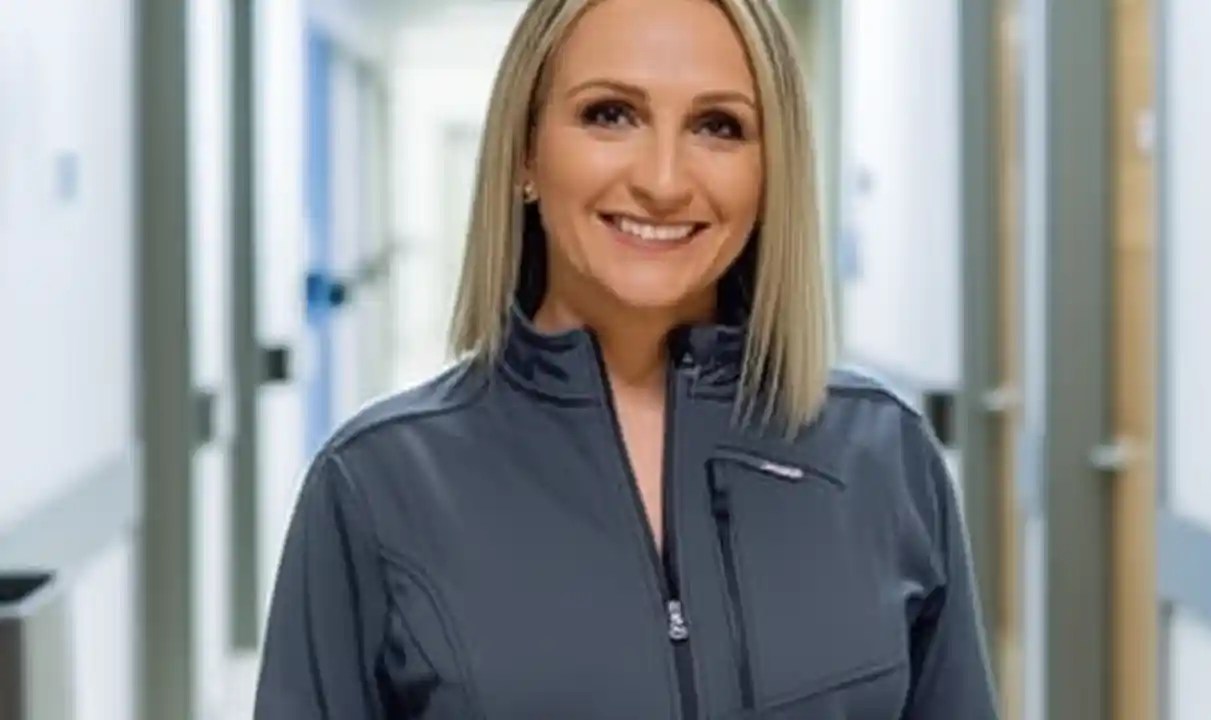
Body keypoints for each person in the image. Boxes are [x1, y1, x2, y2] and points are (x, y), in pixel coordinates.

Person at [254, 0, 998, 717]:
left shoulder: (884, 457)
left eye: (719, 126)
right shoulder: (375, 485)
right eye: (610, 114)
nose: (663, 180)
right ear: (525, 152)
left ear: (770, 177)